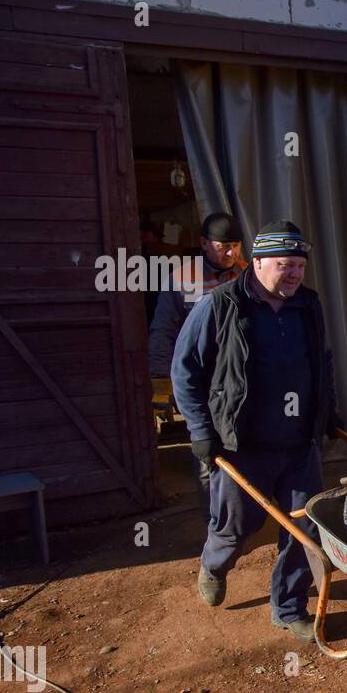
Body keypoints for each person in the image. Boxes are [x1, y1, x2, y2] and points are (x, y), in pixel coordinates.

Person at [170, 220, 341, 641]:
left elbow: (322, 363)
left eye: (300, 266)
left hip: (299, 444)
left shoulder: (308, 305)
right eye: (285, 265)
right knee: (235, 529)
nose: (295, 274)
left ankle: (287, 607)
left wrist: (328, 412)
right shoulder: (221, 305)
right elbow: (184, 370)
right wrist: (200, 431)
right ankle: (214, 565)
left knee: (304, 528)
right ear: (259, 262)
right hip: (240, 445)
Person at [150, 212, 245, 512]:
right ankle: (214, 519)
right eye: (223, 246)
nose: (231, 253)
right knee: (208, 452)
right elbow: (163, 330)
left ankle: (243, 514)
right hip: (202, 382)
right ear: (204, 243)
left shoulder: (248, 276)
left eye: (236, 245)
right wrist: (162, 382)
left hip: (240, 381)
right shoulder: (181, 278)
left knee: (244, 448)